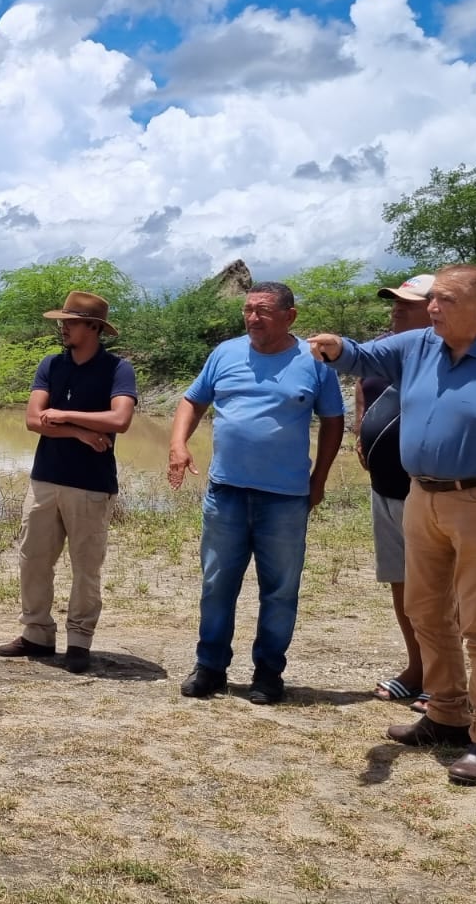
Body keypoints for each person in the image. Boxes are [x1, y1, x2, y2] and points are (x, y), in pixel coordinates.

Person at [308, 265, 476, 785]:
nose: (433, 308)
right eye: (433, 300)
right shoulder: (419, 345)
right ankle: (447, 714)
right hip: (420, 497)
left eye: (446, 300)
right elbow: (365, 356)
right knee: (425, 610)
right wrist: (339, 347)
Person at [168, 283, 344, 705]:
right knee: (216, 584)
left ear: (290, 316)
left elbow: (334, 421)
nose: (252, 318)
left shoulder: (314, 361)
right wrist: (178, 444)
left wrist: (318, 479)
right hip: (225, 492)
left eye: (263, 310)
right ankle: (210, 667)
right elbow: (192, 401)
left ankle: (268, 673)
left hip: (284, 498)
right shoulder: (225, 354)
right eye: (248, 310)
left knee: (280, 590)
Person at [0, 291, 138, 673]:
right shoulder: (50, 365)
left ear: (93, 328)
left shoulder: (117, 369)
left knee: (86, 567)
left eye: (70, 322)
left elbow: (119, 421)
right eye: (62, 321)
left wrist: (63, 414)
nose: (63, 328)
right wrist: (77, 431)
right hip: (45, 479)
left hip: (91, 485)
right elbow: (33, 420)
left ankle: (79, 641)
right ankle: (37, 635)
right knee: (33, 560)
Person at [357, 273, 434, 705]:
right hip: (384, 487)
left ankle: (445, 678)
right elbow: (363, 389)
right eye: (395, 302)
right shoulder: (380, 350)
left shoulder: (447, 355)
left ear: (436, 309)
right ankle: (417, 667)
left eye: (407, 304)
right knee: (401, 582)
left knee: (438, 588)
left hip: (429, 492)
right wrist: (361, 425)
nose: (396, 309)